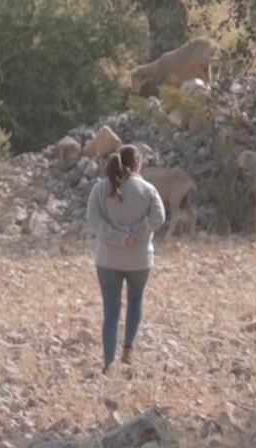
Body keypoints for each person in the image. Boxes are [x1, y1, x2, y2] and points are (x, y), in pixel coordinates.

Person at [84, 144, 166, 373]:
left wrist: (118, 237)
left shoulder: (100, 189)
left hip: (108, 259)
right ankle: (128, 349)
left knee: (110, 311)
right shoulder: (148, 189)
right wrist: (136, 232)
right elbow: (159, 216)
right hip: (139, 259)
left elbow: (93, 218)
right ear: (137, 164)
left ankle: (108, 363)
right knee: (135, 302)